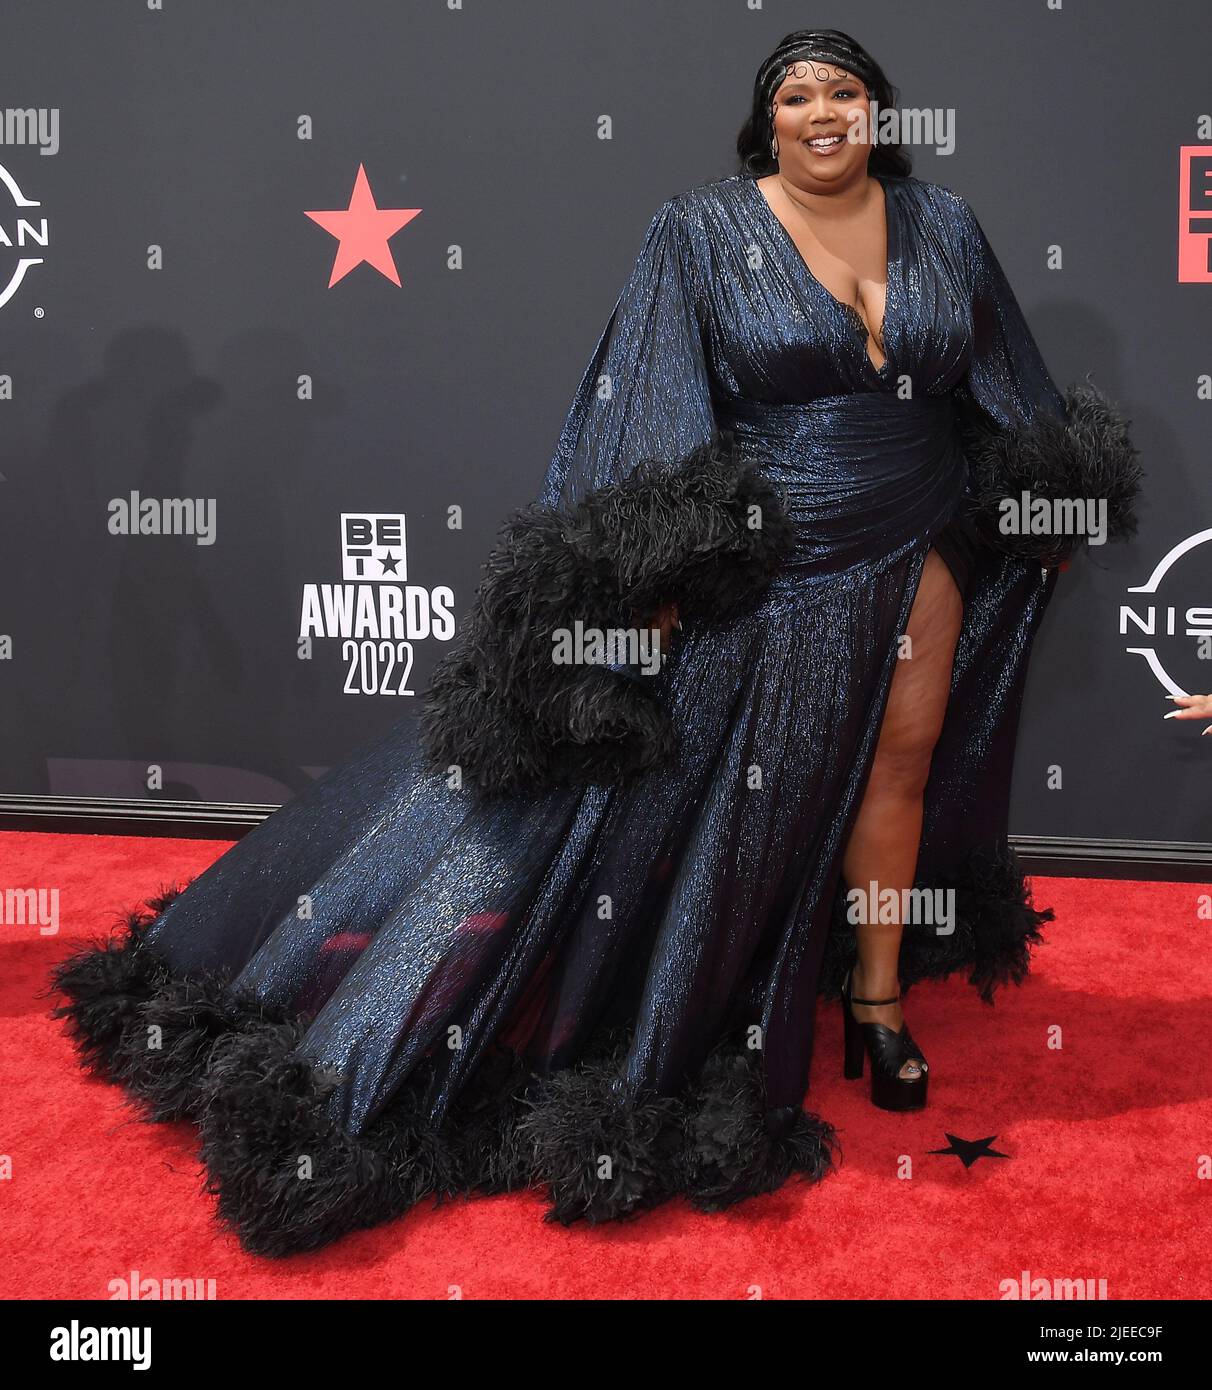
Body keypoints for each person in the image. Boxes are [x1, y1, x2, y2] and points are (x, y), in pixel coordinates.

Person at [52, 28, 1141, 1257]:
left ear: (879, 109)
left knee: (899, 768)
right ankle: (633, 1007)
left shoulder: (944, 224)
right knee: (698, 806)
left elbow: (1007, 381)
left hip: (919, 546)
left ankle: (877, 1003)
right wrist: (647, 570)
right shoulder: (701, 230)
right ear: (768, 120)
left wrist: (1048, 502)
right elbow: (651, 396)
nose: (823, 111)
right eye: (797, 94)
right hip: (774, 567)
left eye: (844, 90)